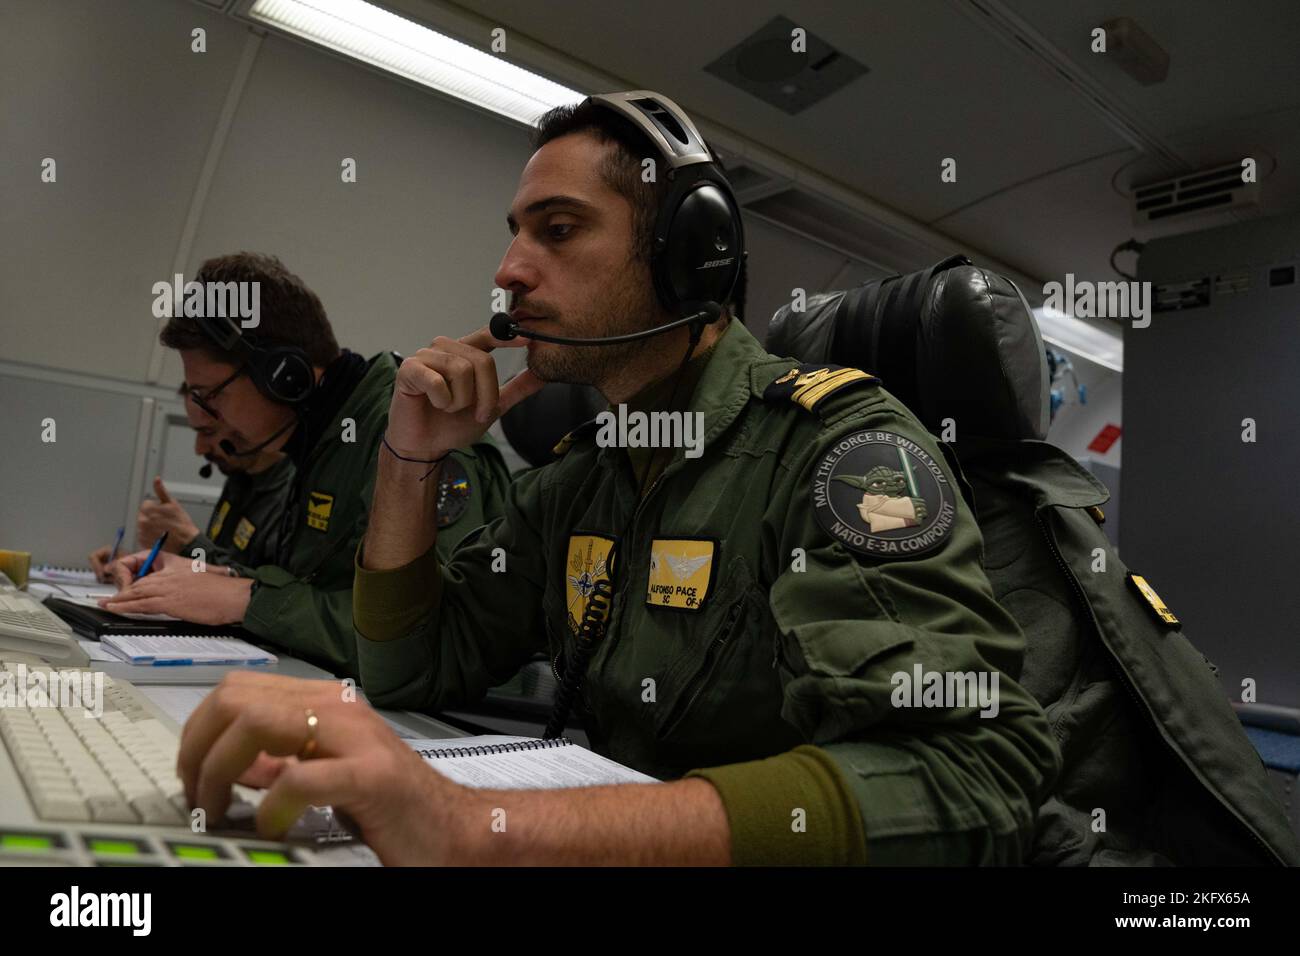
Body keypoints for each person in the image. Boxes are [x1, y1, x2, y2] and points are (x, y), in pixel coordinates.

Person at [177, 94, 1060, 864]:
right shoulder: (587, 477)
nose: (509, 270)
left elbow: (971, 775)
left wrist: (477, 828)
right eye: (516, 234)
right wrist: (411, 460)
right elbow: (408, 671)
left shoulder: (838, 449)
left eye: (557, 230)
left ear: (690, 255)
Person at [102, 252, 511, 678]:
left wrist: (246, 599)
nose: (207, 420)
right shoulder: (321, 441)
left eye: (210, 396)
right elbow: (306, 587)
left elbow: (430, 638)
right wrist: (199, 570)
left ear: (282, 374)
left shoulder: (412, 435)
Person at [89, 386, 294, 581]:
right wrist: (146, 566)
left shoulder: (292, 495)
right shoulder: (239, 479)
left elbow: (264, 594)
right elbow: (216, 572)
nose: (199, 448)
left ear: (247, 422)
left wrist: (189, 543)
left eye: (208, 432)